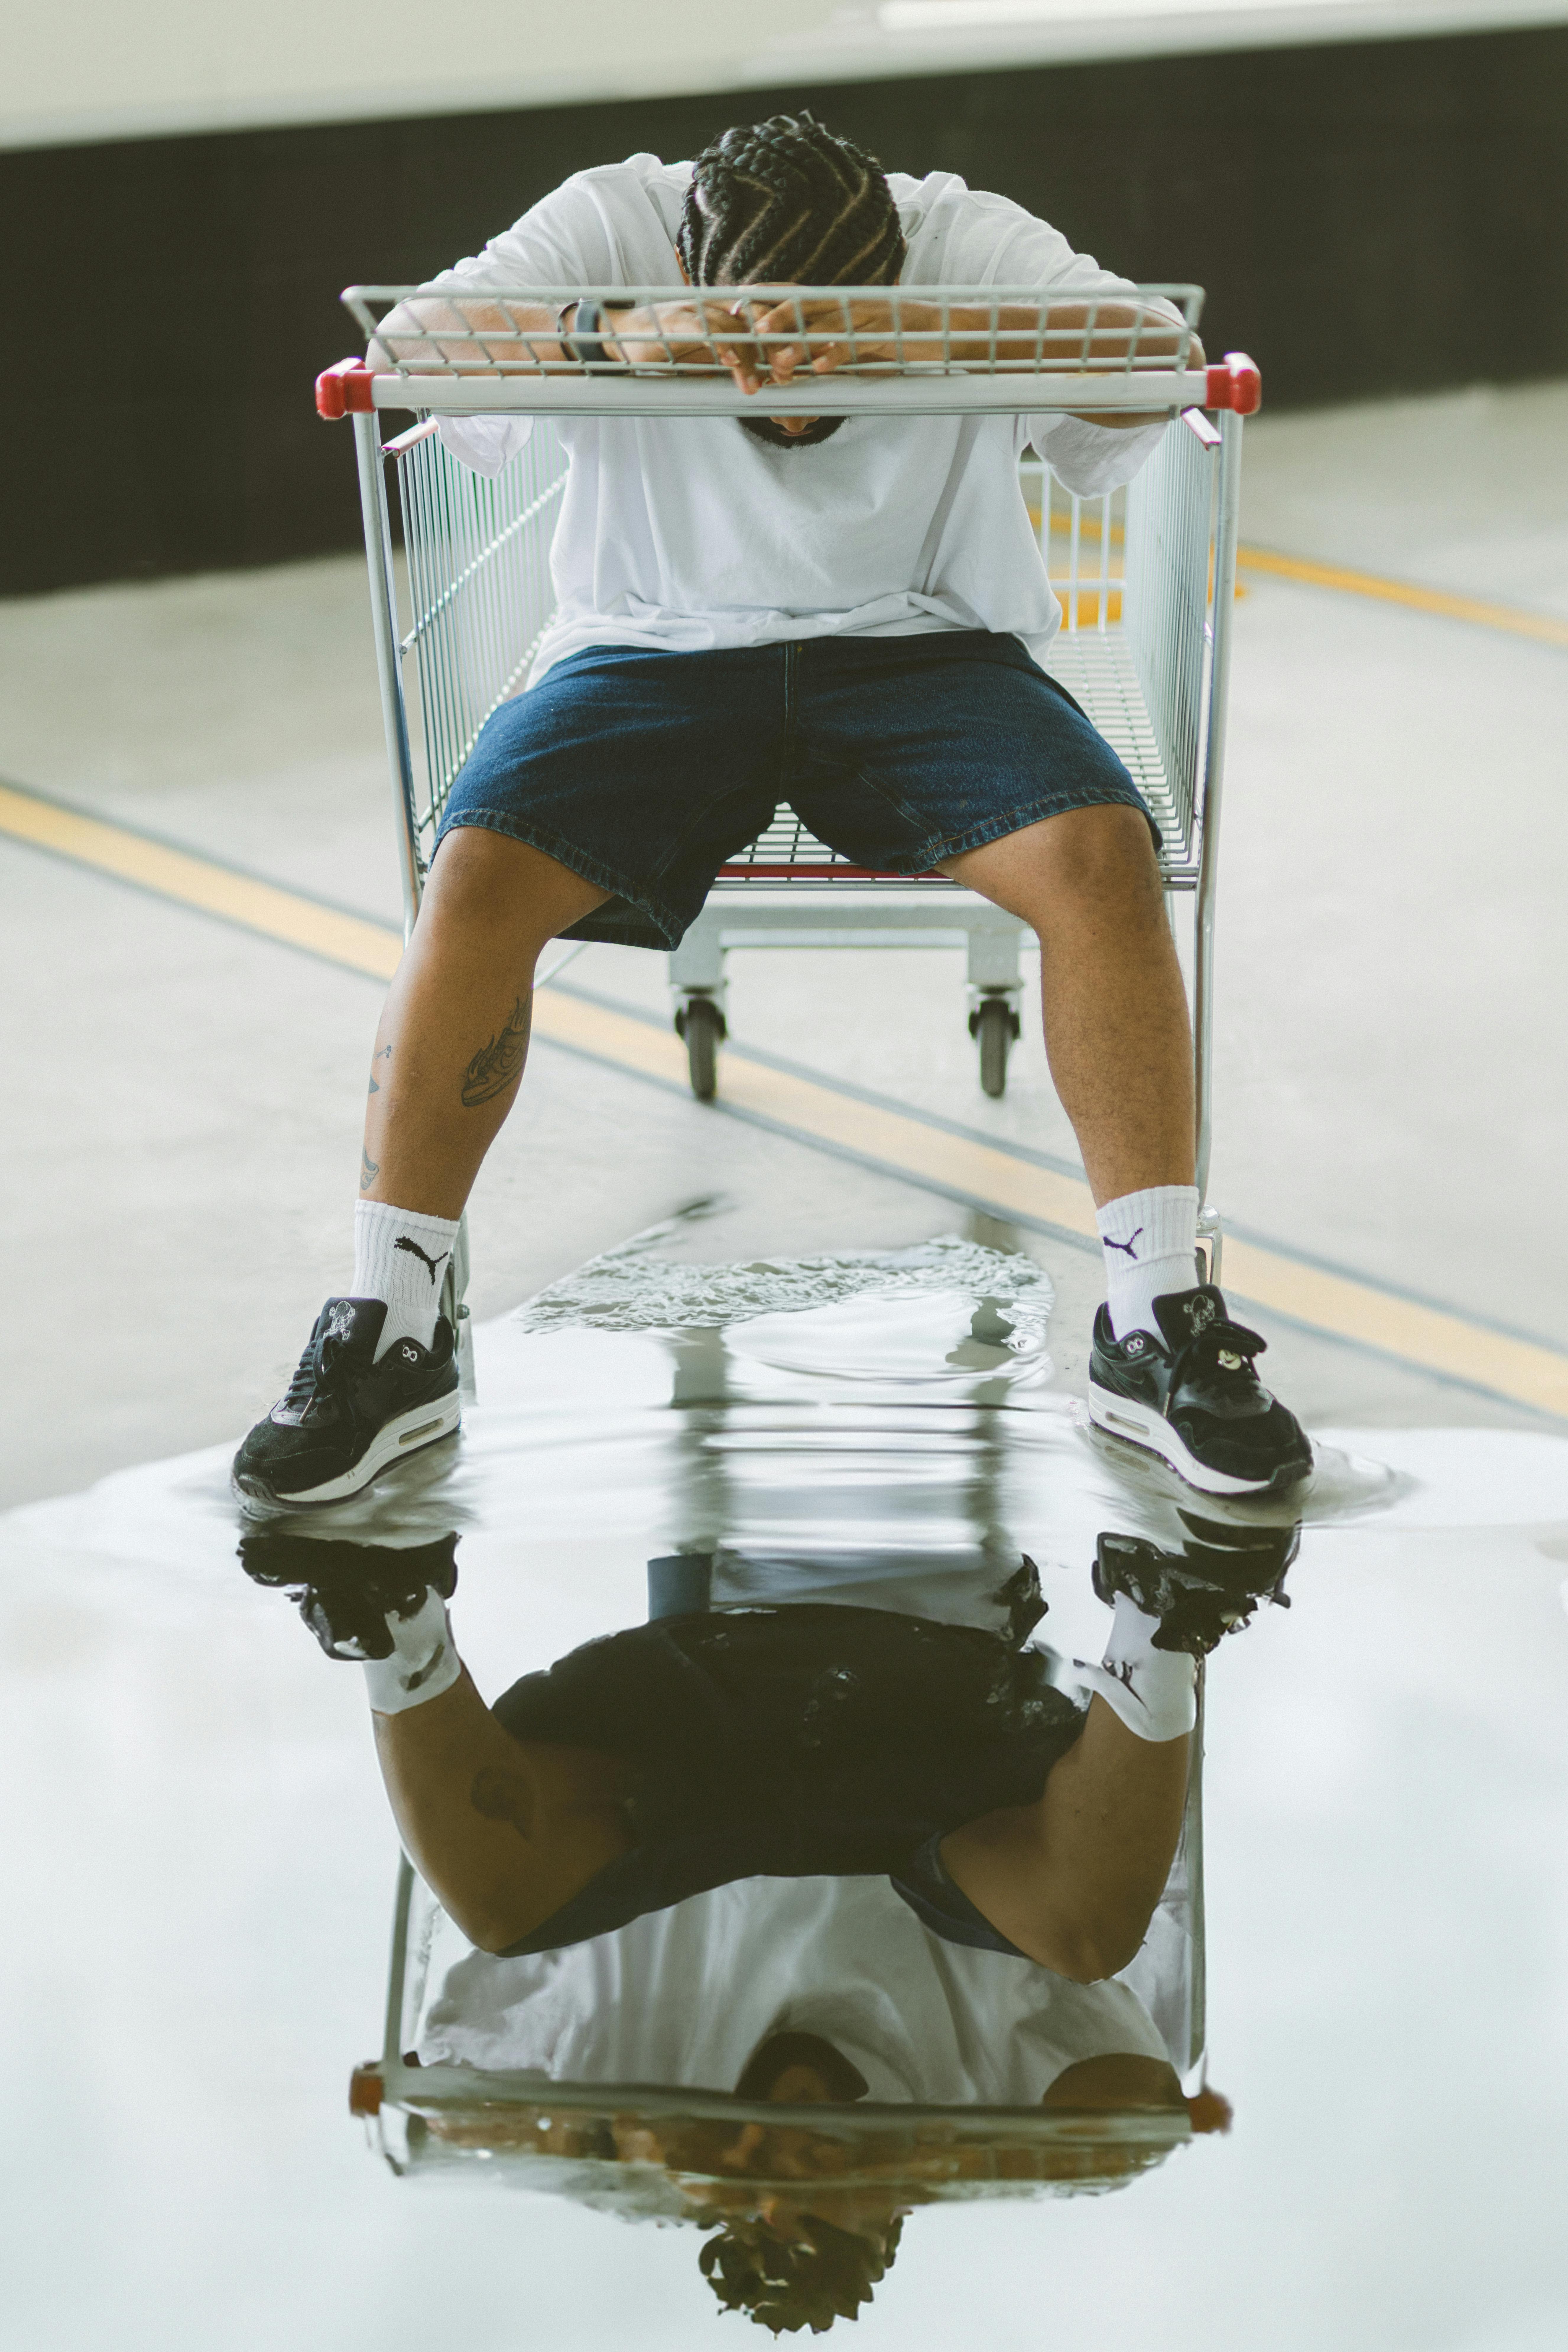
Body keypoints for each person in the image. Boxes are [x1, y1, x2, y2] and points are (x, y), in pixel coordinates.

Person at [231, 113, 1312, 1509]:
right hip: (645, 649)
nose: (783, 389)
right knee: (476, 878)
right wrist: (612, 339)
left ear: (893, 267)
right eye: (746, 343)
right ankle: (395, 1317)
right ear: (689, 258)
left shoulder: (959, 238)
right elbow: (404, 353)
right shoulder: (610, 220)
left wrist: (926, 342)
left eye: (822, 351)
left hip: (926, 651)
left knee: (1103, 856)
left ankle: (1152, 1310)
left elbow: (1155, 364)